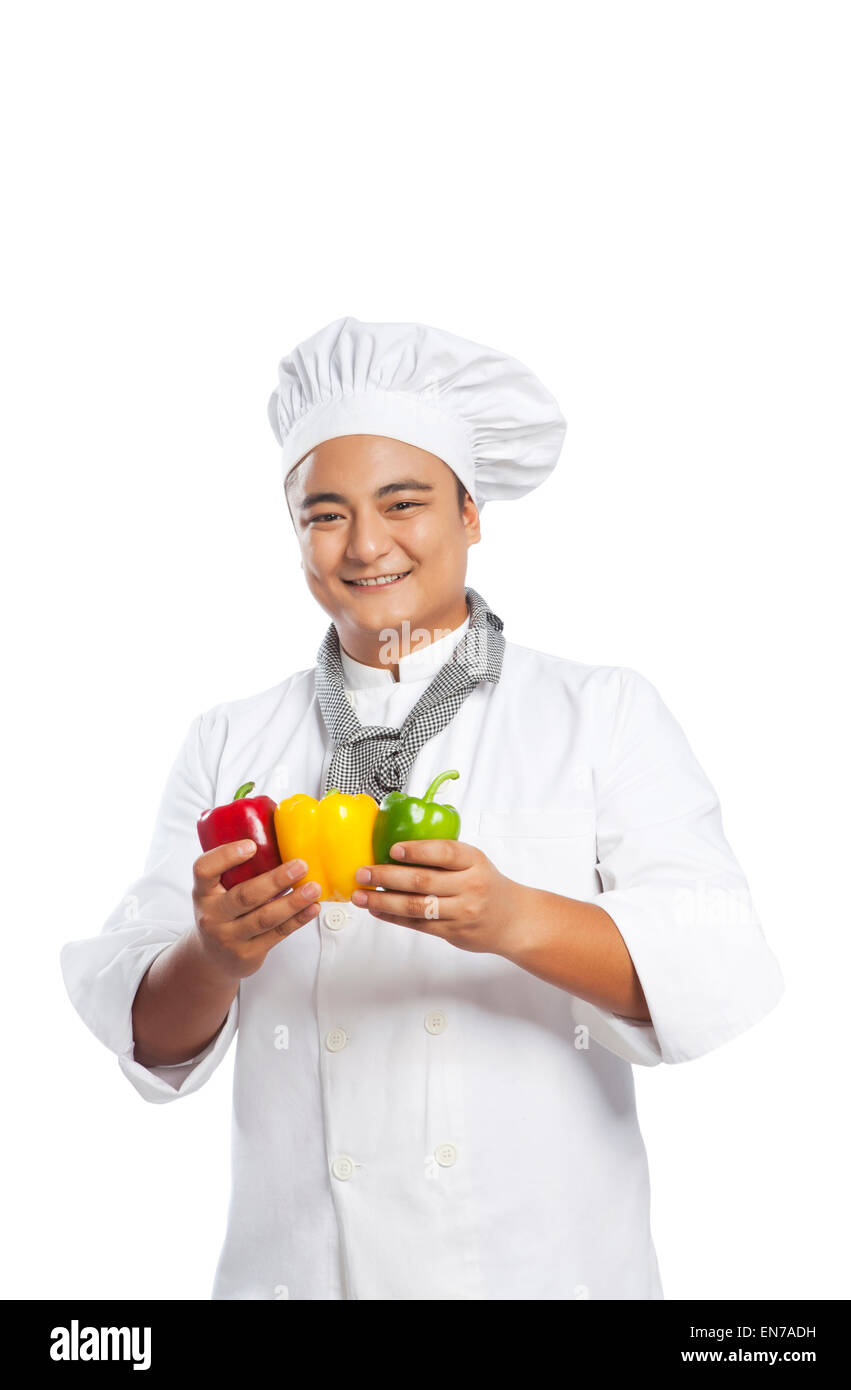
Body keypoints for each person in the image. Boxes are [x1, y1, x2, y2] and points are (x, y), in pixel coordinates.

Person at [60, 315, 784, 1300]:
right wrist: (217, 955)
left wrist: (515, 918)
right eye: (324, 513)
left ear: (471, 512)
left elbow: (718, 964)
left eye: (403, 503)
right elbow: (146, 1027)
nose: (364, 546)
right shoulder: (228, 742)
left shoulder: (597, 713)